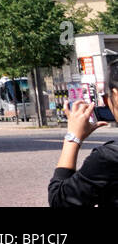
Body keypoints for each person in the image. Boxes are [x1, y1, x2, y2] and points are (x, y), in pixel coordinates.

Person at [48, 59, 118, 206]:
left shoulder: (109, 158)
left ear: (115, 96)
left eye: (105, 98)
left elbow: (60, 201)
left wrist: (72, 138)